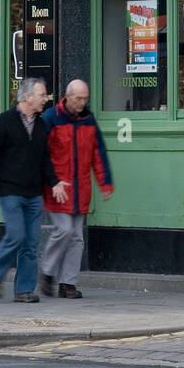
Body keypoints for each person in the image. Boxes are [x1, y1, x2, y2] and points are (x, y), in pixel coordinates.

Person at [0, 78, 63, 302]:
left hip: (34, 192)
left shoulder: (42, 125)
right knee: (16, 235)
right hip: (10, 191)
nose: (45, 99)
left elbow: (45, 159)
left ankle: (24, 290)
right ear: (27, 97)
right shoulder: (3, 122)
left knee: (31, 243)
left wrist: (54, 182)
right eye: (42, 95)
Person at [38, 79, 114, 299]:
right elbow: (40, 153)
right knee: (65, 230)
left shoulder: (89, 120)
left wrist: (105, 183)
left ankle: (67, 283)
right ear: (67, 96)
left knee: (77, 238)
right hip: (58, 187)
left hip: (80, 189)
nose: (82, 103)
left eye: (85, 99)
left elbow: (98, 154)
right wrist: (48, 181)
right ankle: (47, 271)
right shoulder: (51, 117)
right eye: (78, 98)